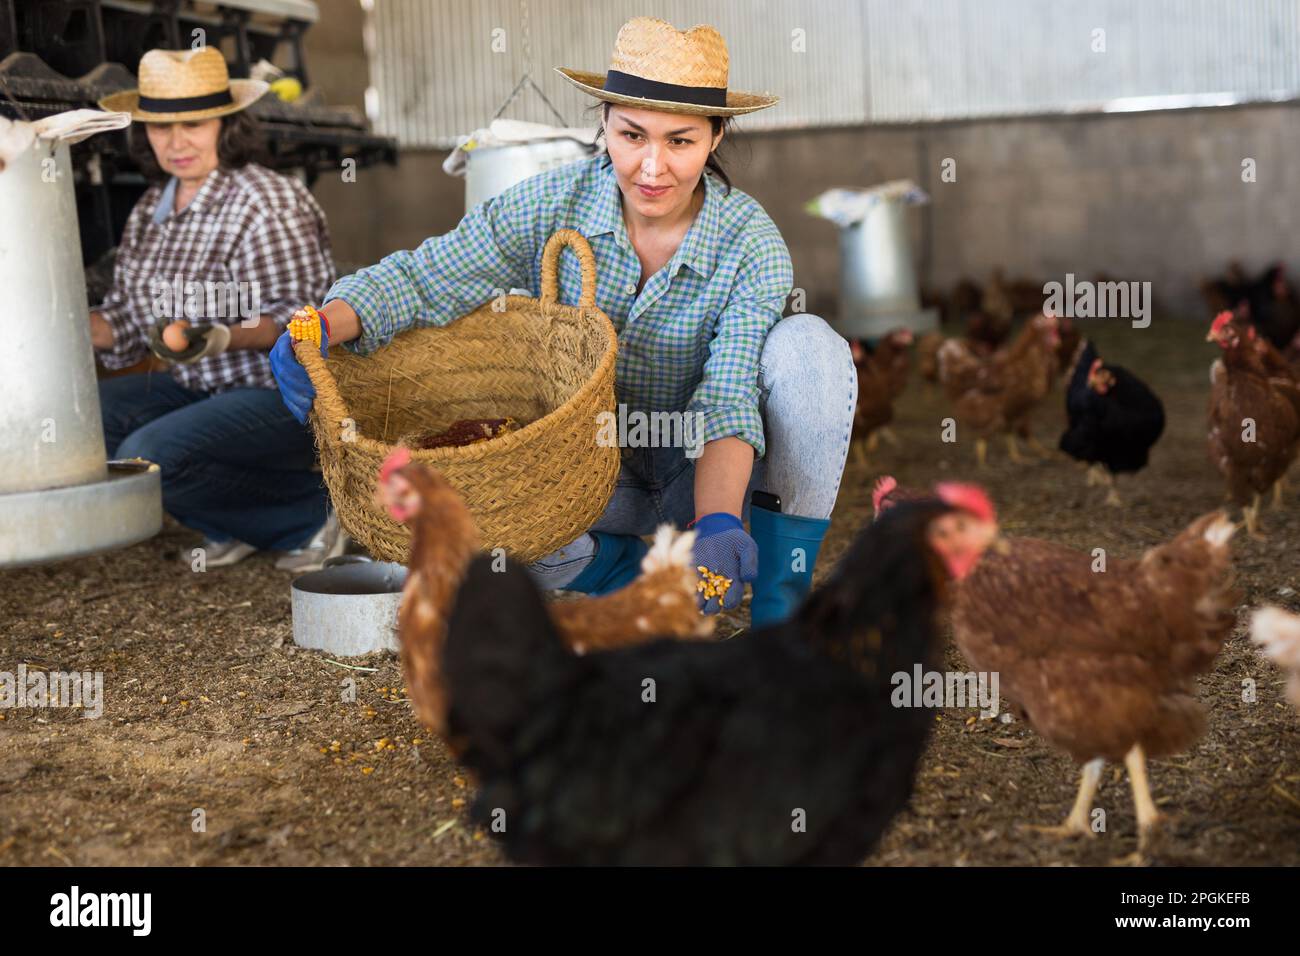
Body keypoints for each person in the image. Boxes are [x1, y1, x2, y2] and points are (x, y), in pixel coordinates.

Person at [270, 17, 856, 625]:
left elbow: (728, 392)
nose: (652, 168)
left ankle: (775, 609)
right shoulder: (553, 201)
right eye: (632, 135)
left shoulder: (749, 239)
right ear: (602, 124)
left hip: (701, 474)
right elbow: (430, 273)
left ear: (715, 137)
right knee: (476, 545)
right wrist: (320, 327)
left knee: (810, 345)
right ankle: (634, 575)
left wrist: (715, 520)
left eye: (679, 142)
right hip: (589, 478)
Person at [91, 47, 342, 570]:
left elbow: (299, 323)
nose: (176, 143)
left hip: (283, 394)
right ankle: (235, 519)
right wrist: (48, 325)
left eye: (195, 124)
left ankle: (313, 513)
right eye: (161, 129)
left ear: (226, 125)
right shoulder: (150, 208)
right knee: (90, 424)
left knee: (148, 454)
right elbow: (124, 323)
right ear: (144, 134)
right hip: (201, 388)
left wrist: (216, 334)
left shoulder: (265, 203)